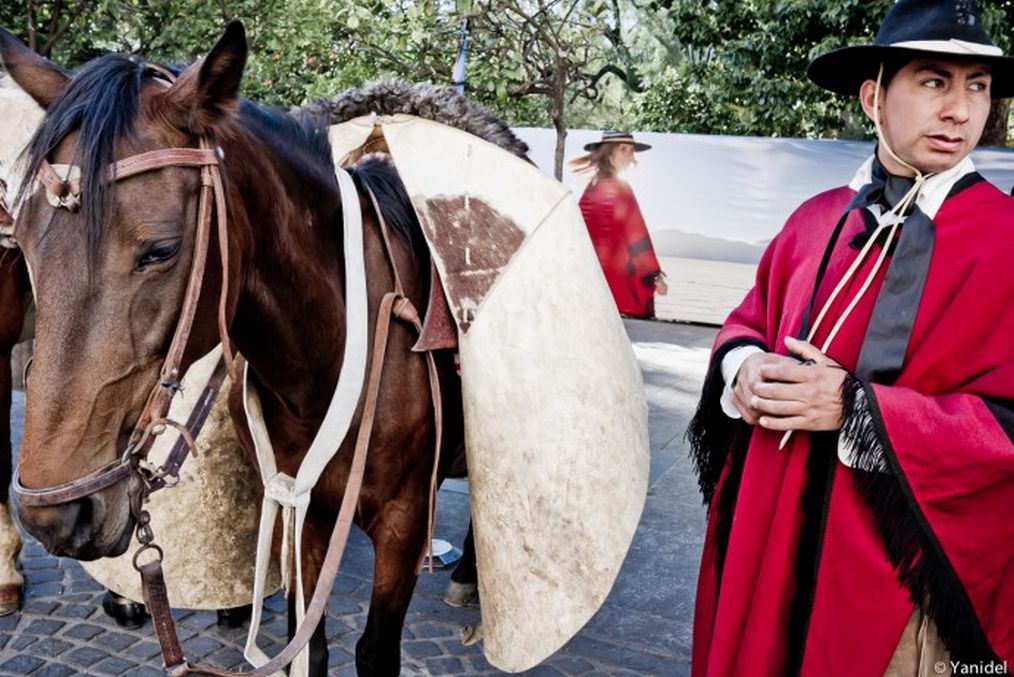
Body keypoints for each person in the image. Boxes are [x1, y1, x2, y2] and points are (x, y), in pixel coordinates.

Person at [686, 1, 1014, 675]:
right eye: (933, 81)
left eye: (976, 87)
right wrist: (743, 368)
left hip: (908, 580)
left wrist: (859, 409)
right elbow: (748, 319)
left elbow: (1006, 424)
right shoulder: (816, 220)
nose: (959, 110)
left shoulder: (1006, 240)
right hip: (774, 540)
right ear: (873, 96)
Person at [572, 131, 666, 319]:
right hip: (618, 288)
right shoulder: (620, 189)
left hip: (590, 288)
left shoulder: (591, 188)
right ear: (608, 152)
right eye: (624, 149)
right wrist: (654, 277)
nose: (630, 156)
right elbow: (636, 235)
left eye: (632, 151)